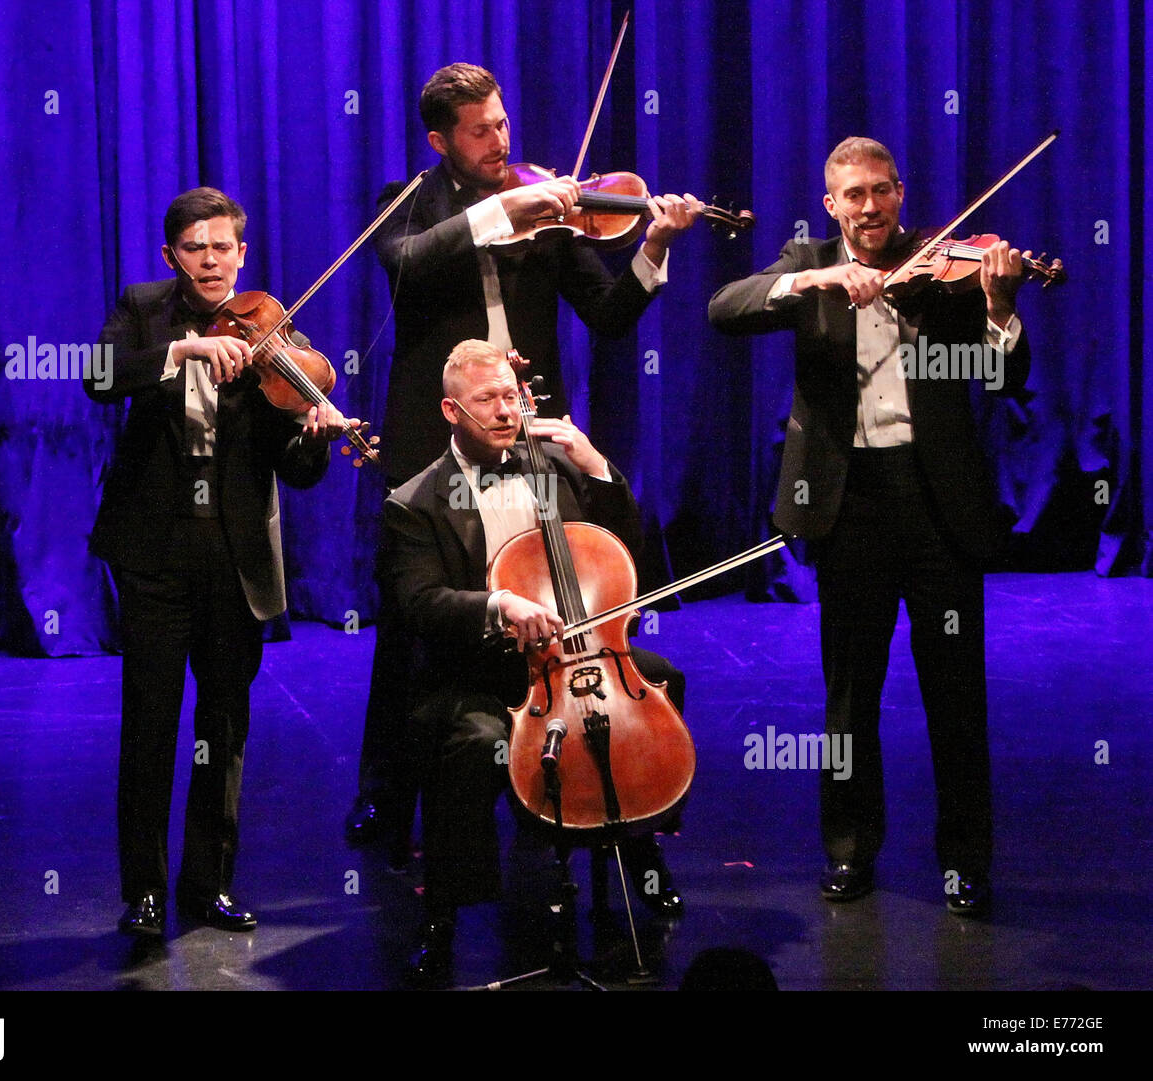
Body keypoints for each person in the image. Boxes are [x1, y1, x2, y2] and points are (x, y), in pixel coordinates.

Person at [345, 61, 701, 848]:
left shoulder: (549, 208)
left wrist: (653, 248)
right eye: (480, 131)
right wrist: (502, 210)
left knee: (556, 598)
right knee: (413, 626)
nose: (499, 141)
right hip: (435, 442)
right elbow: (405, 260)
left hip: (532, 429)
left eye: (502, 124)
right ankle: (387, 794)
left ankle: (574, 778)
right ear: (440, 140)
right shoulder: (410, 202)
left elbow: (608, 315)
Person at [708, 138, 1031, 919]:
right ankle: (850, 847)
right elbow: (726, 308)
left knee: (957, 695)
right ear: (831, 205)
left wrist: (999, 306)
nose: (870, 206)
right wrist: (817, 278)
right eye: (853, 194)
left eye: (881, 190)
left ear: (900, 192)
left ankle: (965, 862)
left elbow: (1004, 379)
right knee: (850, 694)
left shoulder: (947, 265)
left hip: (936, 502)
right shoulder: (810, 264)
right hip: (849, 505)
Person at [86, 187, 353, 936]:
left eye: (222, 247)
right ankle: (143, 891)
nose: (209, 260)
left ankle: (207, 885)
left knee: (224, 728)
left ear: (242, 253)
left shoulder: (275, 330)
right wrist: (182, 351)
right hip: (156, 549)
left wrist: (315, 436)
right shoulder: (144, 309)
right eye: (194, 248)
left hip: (235, 555)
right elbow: (99, 377)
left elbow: (293, 470)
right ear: (171, 256)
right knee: (149, 724)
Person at [382, 339, 686, 987]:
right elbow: (421, 603)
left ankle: (640, 848)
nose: (504, 411)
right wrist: (498, 605)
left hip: (579, 654)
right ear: (451, 410)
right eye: (486, 399)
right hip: (482, 671)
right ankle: (445, 916)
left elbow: (621, 546)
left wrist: (597, 466)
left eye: (510, 397)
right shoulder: (414, 501)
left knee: (661, 680)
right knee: (474, 743)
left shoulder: (557, 465)